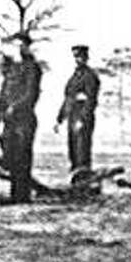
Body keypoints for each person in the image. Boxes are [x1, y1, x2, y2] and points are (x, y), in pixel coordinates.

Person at [0, 35, 41, 203]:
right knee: (10, 156)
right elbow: (3, 94)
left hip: (24, 119)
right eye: (17, 46)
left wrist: (14, 107)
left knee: (22, 157)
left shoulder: (33, 68)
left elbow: (31, 94)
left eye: (22, 46)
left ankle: (22, 196)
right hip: (10, 120)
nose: (19, 49)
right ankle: (14, 193)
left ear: (27, 47)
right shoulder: (13, 69)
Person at [57, 44, 99, 175]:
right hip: (72, 116)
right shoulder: (74, 76)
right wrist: (60, 118)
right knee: (73, 149)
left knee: (82, 149)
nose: (78, 59)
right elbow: (68, 98)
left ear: (86, 58)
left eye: (80, 57)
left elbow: (91, 100)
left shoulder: (90, 76)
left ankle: (84, 179)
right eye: (76, 57)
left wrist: (83, 119)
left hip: (82, 116)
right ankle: (76, 178)